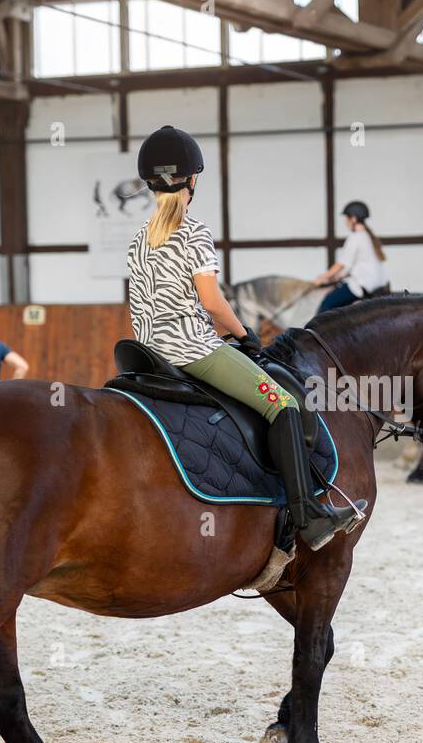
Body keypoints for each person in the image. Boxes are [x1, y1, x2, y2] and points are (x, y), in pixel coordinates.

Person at [129, 125, 363, 549]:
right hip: (193, 349)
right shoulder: (193, 231)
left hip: (146, 352)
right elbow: (212, 301)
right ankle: (307, 514)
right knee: (284, 404)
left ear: (150, 183)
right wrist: (244, 334)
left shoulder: (139, 239)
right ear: (193, 179)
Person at [313, 201, 389, 312]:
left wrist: (322, 278)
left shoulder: (355, 237)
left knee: (325, 306)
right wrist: (338, 277)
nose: (346, 222)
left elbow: (341, 264)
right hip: (376, 286)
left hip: (361, 286)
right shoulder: (368, 236)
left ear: (353, 219)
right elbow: (357, 265)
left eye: (346, 218)